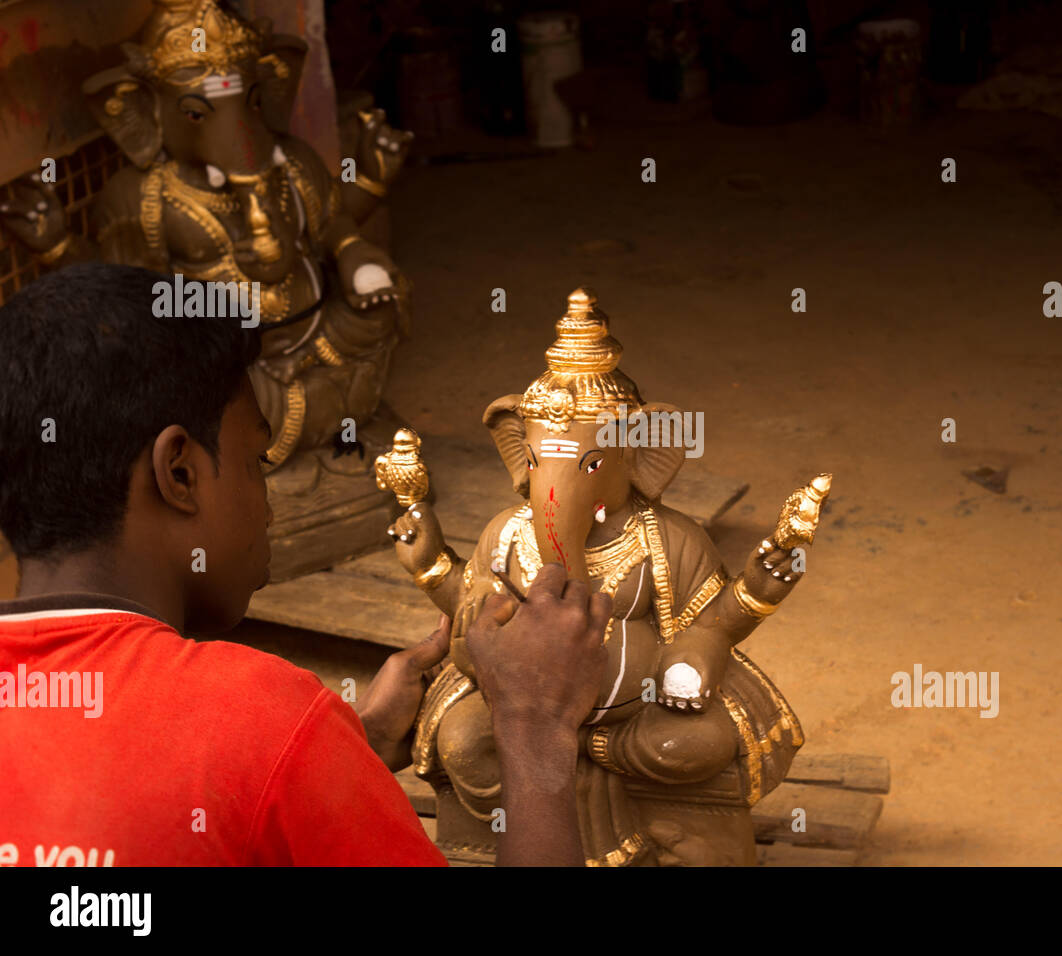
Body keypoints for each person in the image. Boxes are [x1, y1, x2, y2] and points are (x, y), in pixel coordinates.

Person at [0, 262, 610, 866]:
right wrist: (535, 724)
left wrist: (334, 754)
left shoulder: (269, 739)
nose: (266, 503)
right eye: (257, 460)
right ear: (180, 474)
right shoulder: (257, 716)